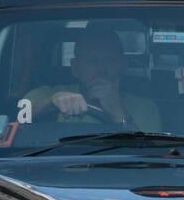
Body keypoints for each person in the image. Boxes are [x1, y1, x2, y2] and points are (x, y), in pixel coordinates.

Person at [26, 32, 162, 130]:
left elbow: (146, 161)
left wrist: (118, 112)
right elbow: (18, 119)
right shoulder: (47, 94)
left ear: (123, 66)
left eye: (110, 60)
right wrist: (52, 102)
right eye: (92, 61)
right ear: (75, 68)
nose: (102, 69)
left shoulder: (145, 109)